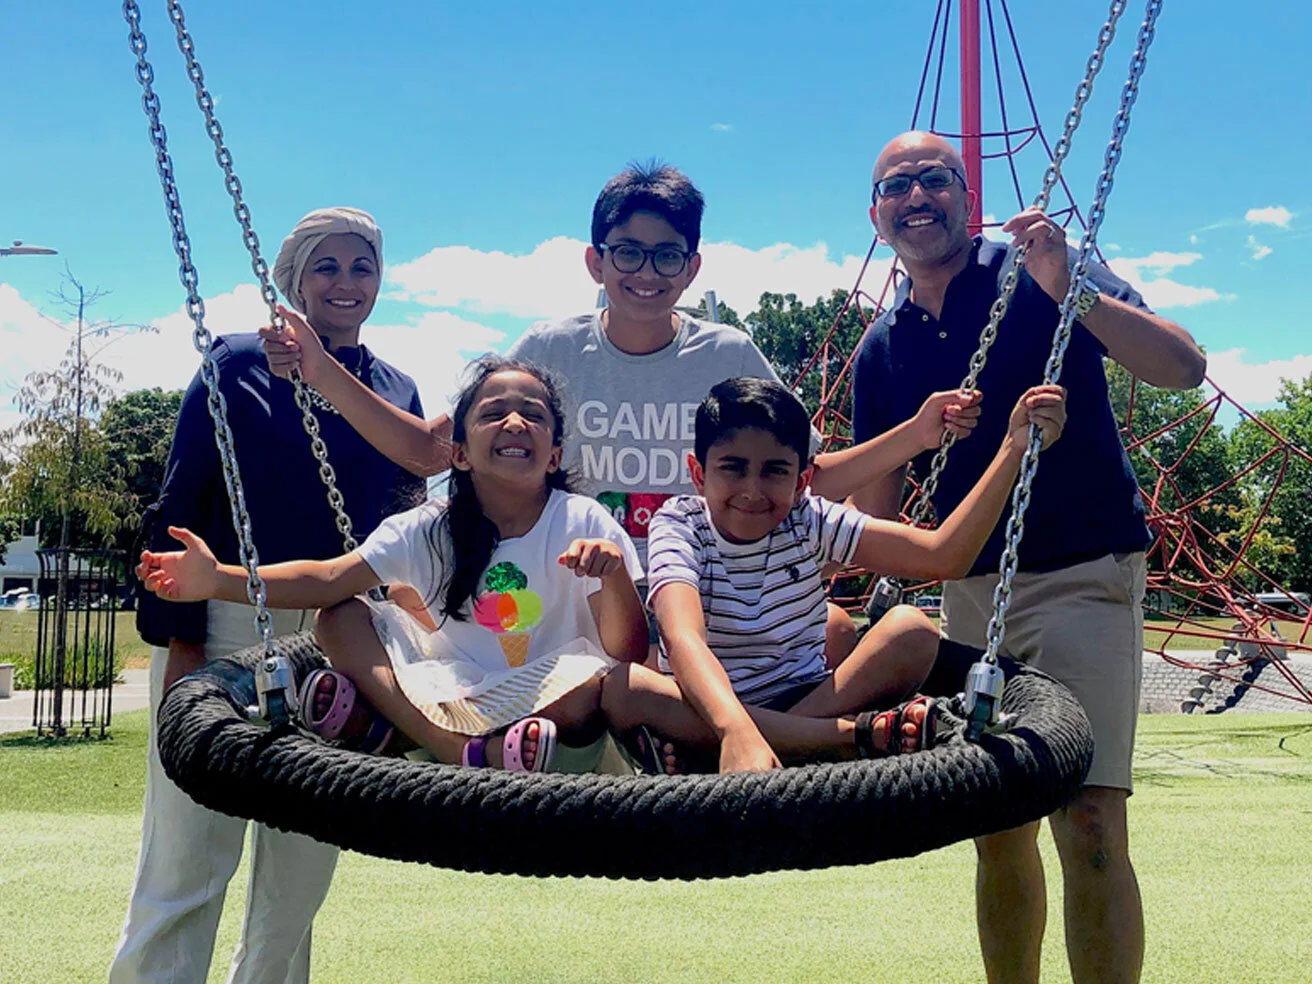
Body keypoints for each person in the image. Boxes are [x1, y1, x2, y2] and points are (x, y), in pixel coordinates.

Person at [259, 162, 907, 666]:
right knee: (409, 615)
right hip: (576, 599)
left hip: (702, 597)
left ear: (692, 267)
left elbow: (805, 474)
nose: (645, 272)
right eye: (627, 252)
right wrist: (322, 371)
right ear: (596, 259)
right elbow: (433, 450)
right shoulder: (551, 349)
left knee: (836, 629)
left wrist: (916, 434)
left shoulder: (727, 353)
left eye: (667, 255)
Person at [850, 131, 1207, 984]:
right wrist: (916, 437)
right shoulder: (883, 348)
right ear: (876, 216)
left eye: (934, 179)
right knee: (996, 826)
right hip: (972, 596)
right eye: (896, 186)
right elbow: (880, 515)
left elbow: (1183, 366)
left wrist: (1070, 286)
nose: (916, 197)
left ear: (967, 198)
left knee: (1088, 823)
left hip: (1085, 571)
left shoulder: (1041, 271)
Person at [111, 208, 427, 984]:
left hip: (342, 632)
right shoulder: (235, 365)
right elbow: (179, 503)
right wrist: (181, 641)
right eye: (329, 266)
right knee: (188, 852)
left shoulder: (395, 390)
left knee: (301, 865)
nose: (347, 283)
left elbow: (410, 522)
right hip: (223, 619)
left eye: (363, 267)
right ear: (294, 278)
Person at [137, 357, 649, 772]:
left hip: (549, 704)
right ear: (460, 454)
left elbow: (627, 650)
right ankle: (452, 747)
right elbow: (329, 577)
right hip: (454, 692)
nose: (515, 422)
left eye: (534, 415)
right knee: (338, 616)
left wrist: (615, 575)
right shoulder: (428, 526)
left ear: (554, 455)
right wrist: (219, 579)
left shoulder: (584, 520)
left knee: (589, 684)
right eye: (494, 413)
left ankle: (381, 725)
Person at [599, 376, 1066, 774]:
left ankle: (751, 748)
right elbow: (684, 640)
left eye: (774, 471)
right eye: (733, 469)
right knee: (622, 688)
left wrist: (1012, 450)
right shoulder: (679, 523)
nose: (752, 490)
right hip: (710, 706)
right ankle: (843, 740)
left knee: (911, 629)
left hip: (803, 696)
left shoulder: (808, 518)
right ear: (698, 475)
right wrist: (733, 726)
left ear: (802, 480)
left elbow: (944, 558)